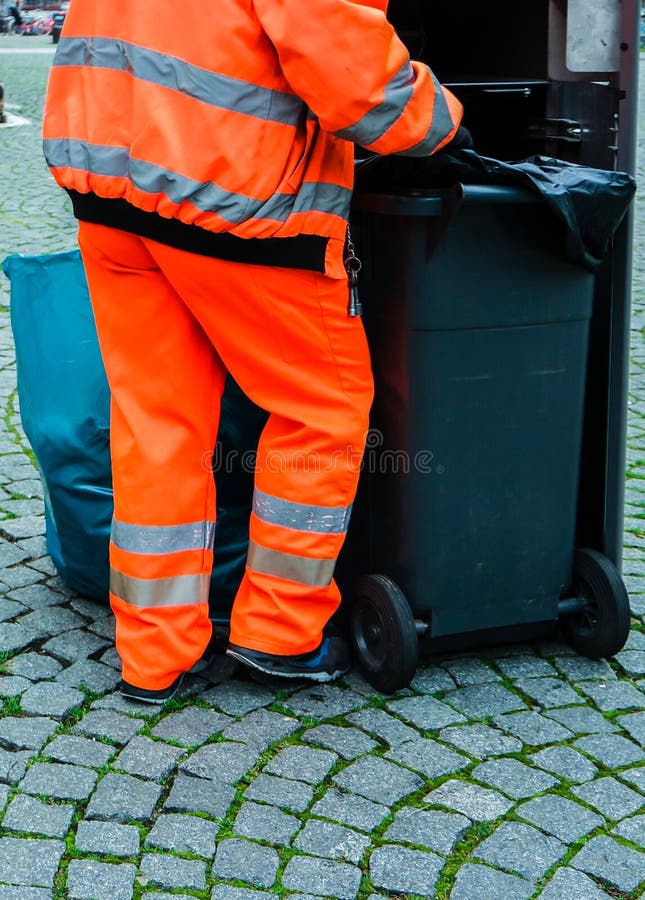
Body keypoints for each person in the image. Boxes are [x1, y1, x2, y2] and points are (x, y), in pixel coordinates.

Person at [42, 0, 464, 703]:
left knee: (158, 422)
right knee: (319, 410)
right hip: (238, 205)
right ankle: (280, 632)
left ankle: (154, 653)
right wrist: (446, 119)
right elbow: (361, 91)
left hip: (112, 187)